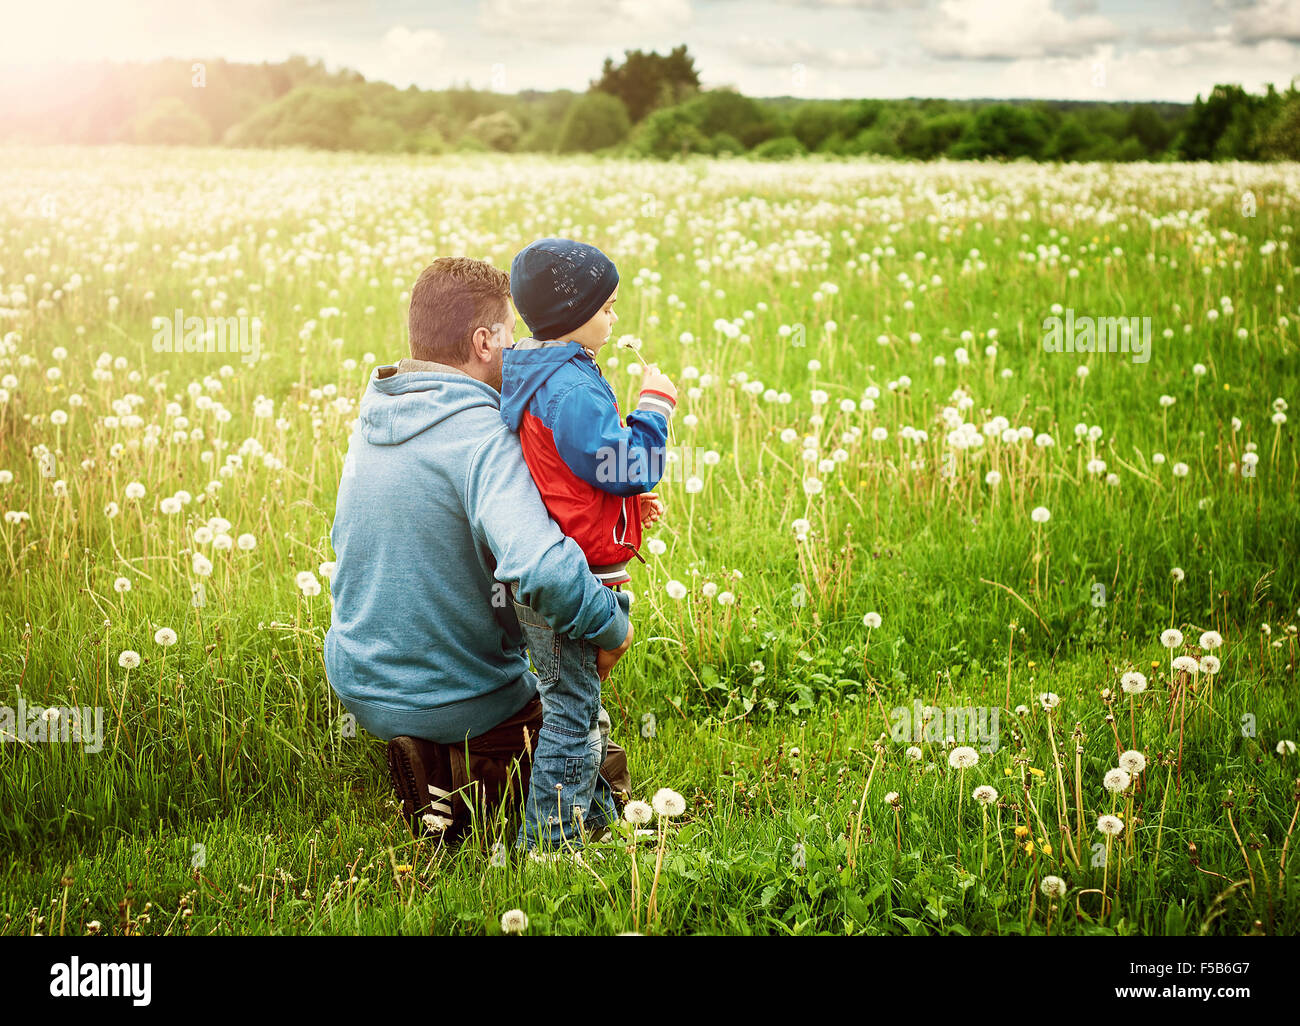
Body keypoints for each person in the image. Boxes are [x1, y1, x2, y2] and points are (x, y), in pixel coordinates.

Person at [323, 256, 634, 842]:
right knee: (589, 738)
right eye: (512, 336)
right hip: (456, 694)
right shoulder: (483, 436)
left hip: (359, 681)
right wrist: (610, 626)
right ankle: (466, 773)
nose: (519, 351)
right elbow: (543, 568)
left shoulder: (373, 418)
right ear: (484, 341)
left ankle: (438, 758)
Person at [499, 238, 677, 851]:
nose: (615, 318)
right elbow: (625, 462)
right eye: (607, 307)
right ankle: (546, 846)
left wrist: (624, 506)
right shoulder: (570, 389)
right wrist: (654, 408)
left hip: (575, 561)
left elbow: (573, 474)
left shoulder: (552, 374)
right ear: (573, 313)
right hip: (580, 578)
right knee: (573, 717)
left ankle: (595, 820)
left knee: (578, 703)